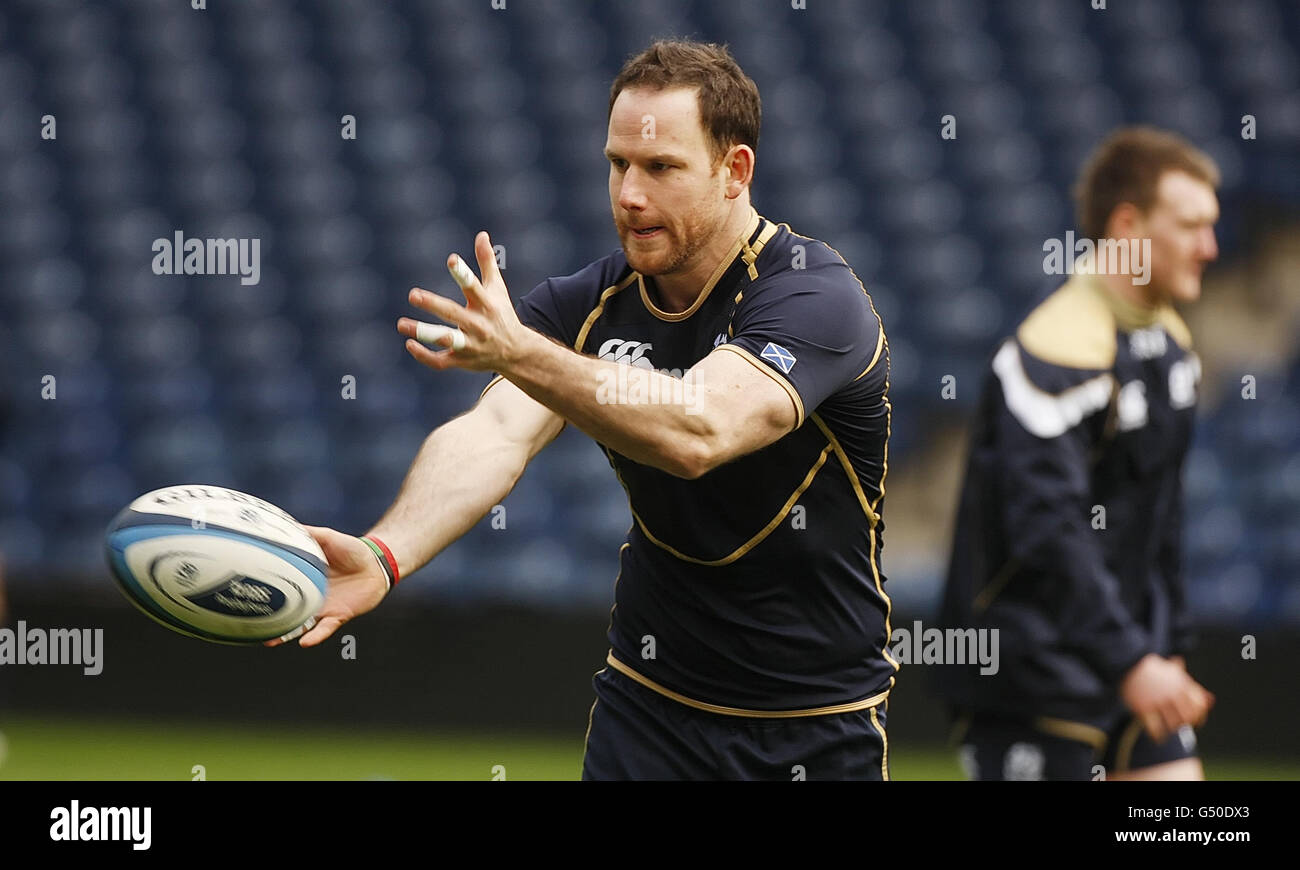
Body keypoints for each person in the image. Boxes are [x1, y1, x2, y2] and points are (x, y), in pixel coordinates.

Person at [276, 40, 895, 780]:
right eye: (618, 164)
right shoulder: (590, 304)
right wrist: (386, 554)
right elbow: (495, 432)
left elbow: (700, 430)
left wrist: (523, 355)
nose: (630, 194)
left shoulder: (814, 296)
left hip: (812, 724)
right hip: (650, 705)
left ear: (735, 172)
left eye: (661, 168)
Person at [936, 126, 1220, 781]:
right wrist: (1132, 660)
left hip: (1123, 657)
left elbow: (1161, 515)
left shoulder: (1170, 346)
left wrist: (1166, 647)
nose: (1209, 246)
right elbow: (1049, 530)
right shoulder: (1054, 352)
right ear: (1126, 225)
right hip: (1029, 671)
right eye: (1190, 225)